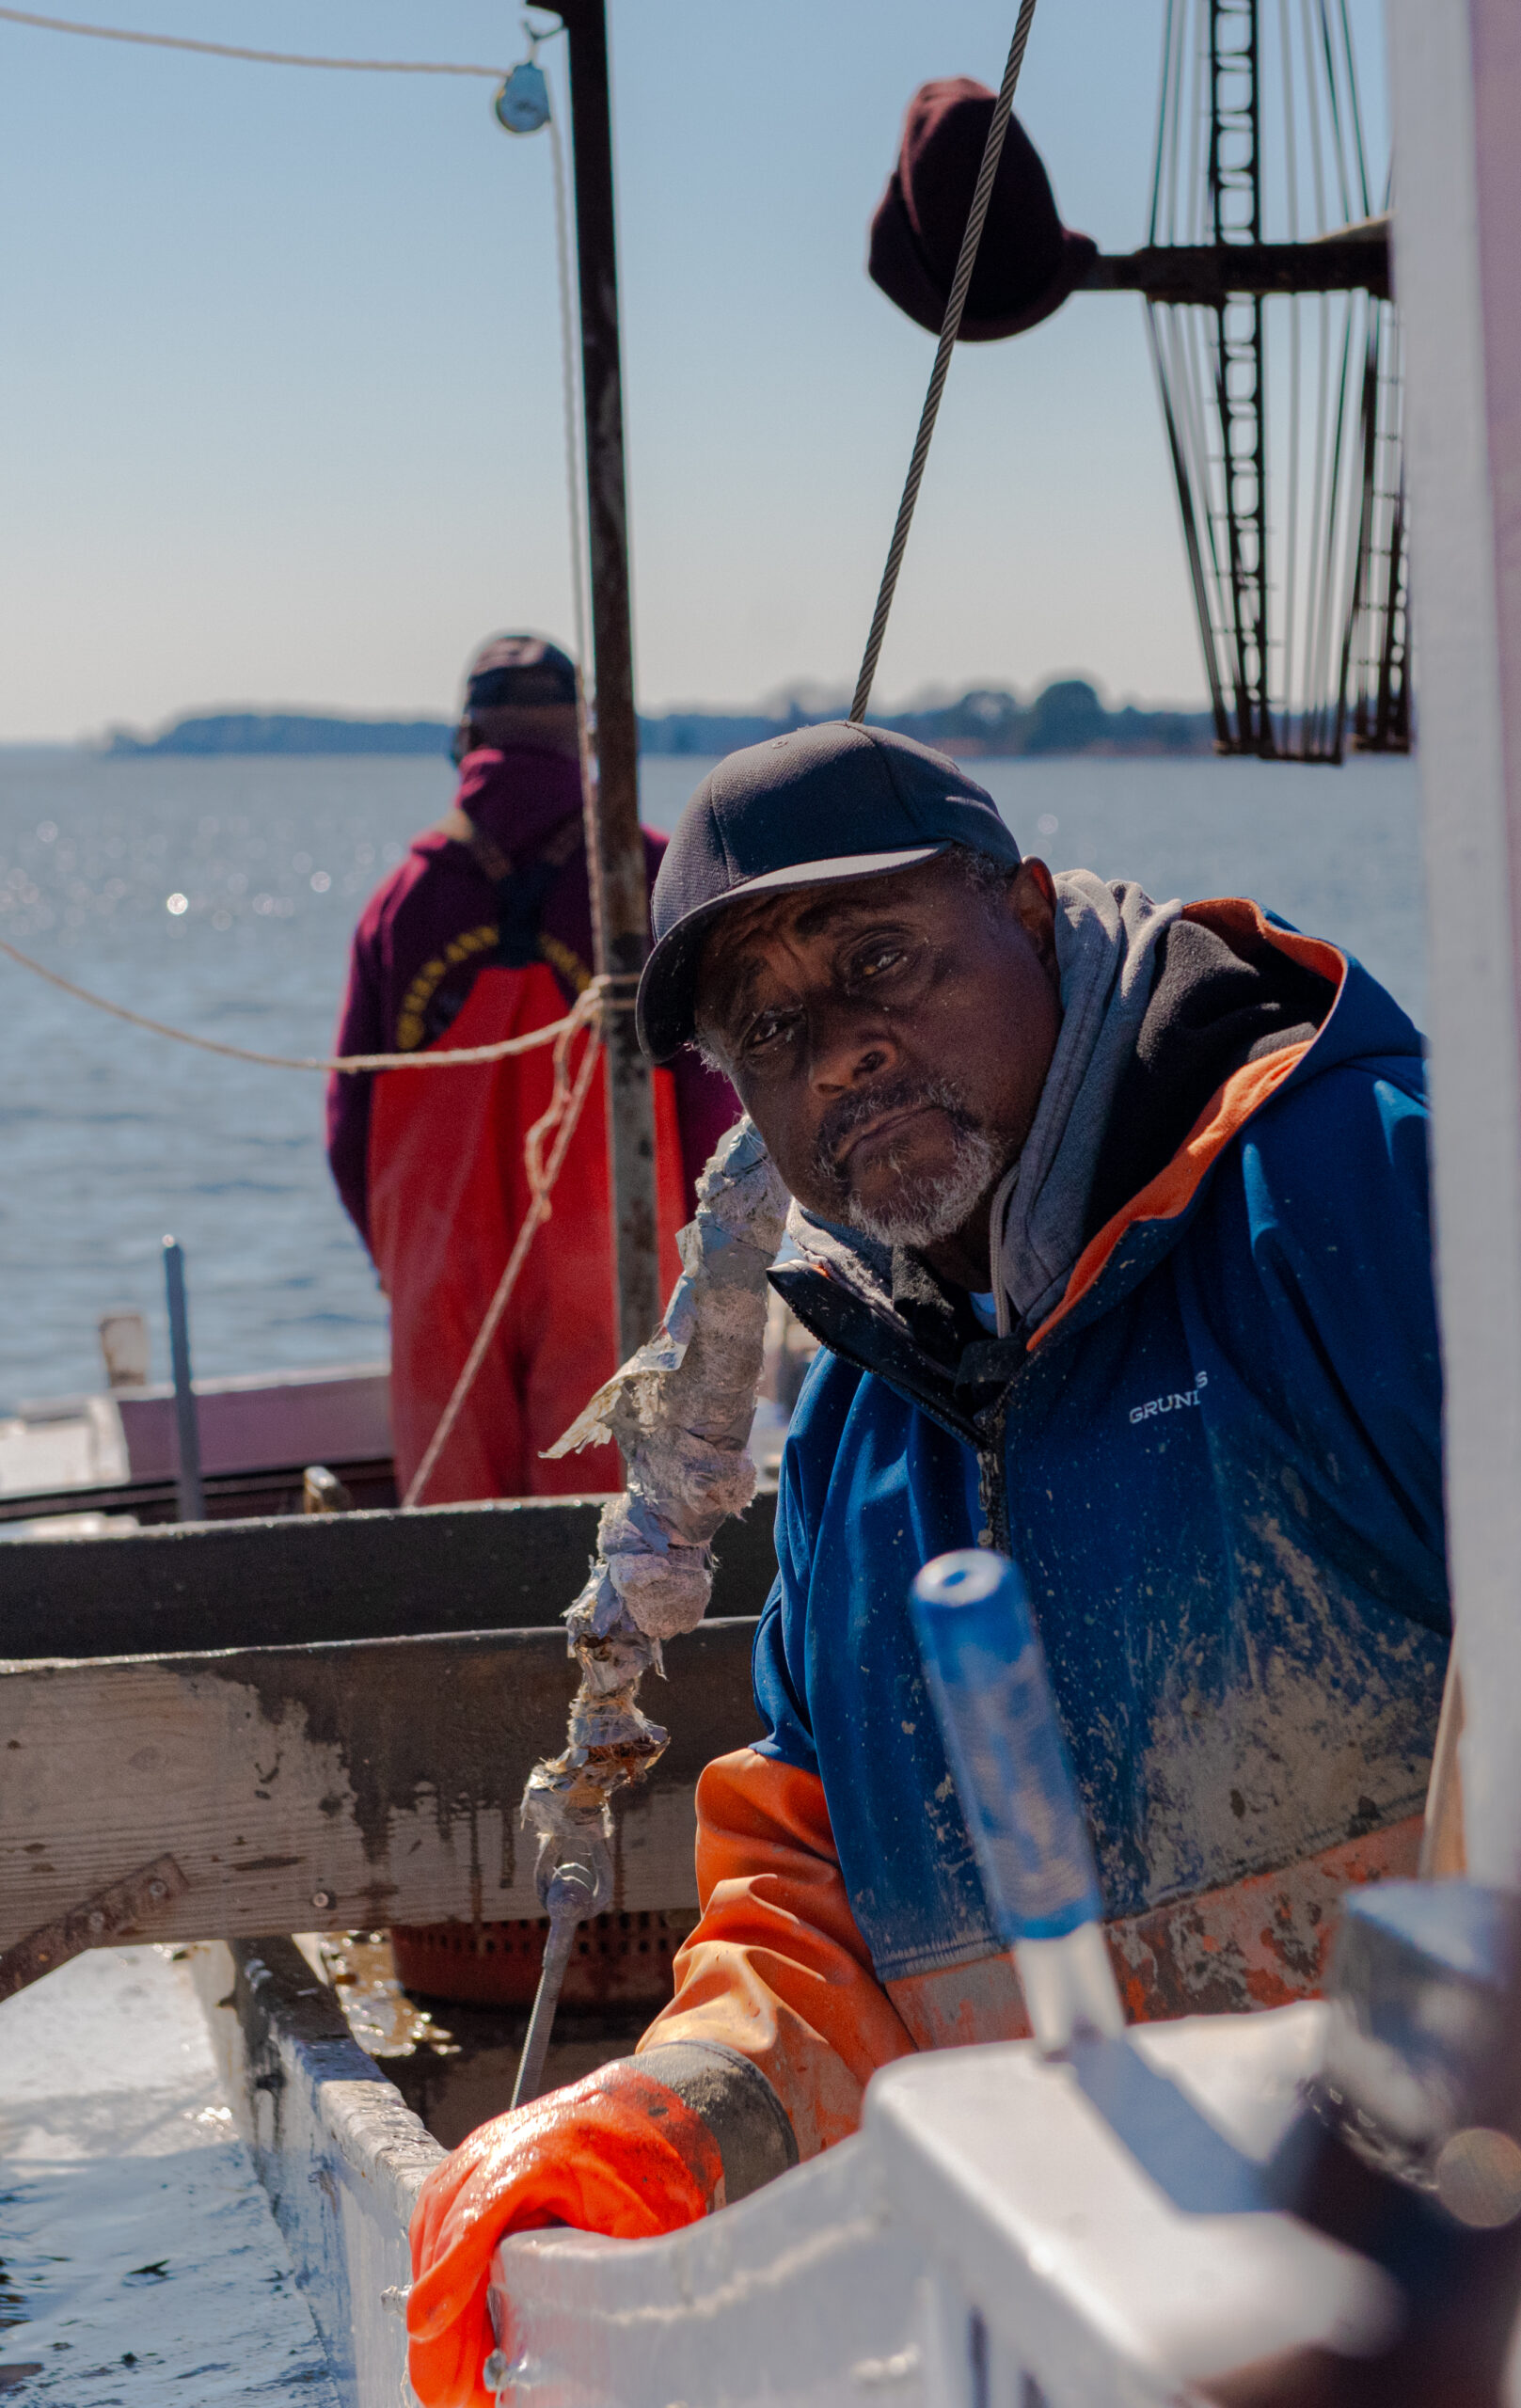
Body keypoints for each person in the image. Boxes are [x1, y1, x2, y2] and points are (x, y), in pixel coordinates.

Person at [405, 722, 1449, 2406]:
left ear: (1029, 912)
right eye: (774, 1030)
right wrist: (653, 2132)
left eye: (881, 960)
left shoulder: (1377, 1198)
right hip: (1069, 2330)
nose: (843, 1059)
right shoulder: (854, 1441)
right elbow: (813, 1915)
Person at [326, 634, 735, 1504]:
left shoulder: (402, 901)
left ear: (466, 737)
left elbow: (345, 1126)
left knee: (452, 1515)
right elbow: (712, 1090)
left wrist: (402, 1265)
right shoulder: (647, 874)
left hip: (440, 1264)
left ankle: (464, 1641)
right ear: (582, 739)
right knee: (602, 1508)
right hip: (612, 1241)